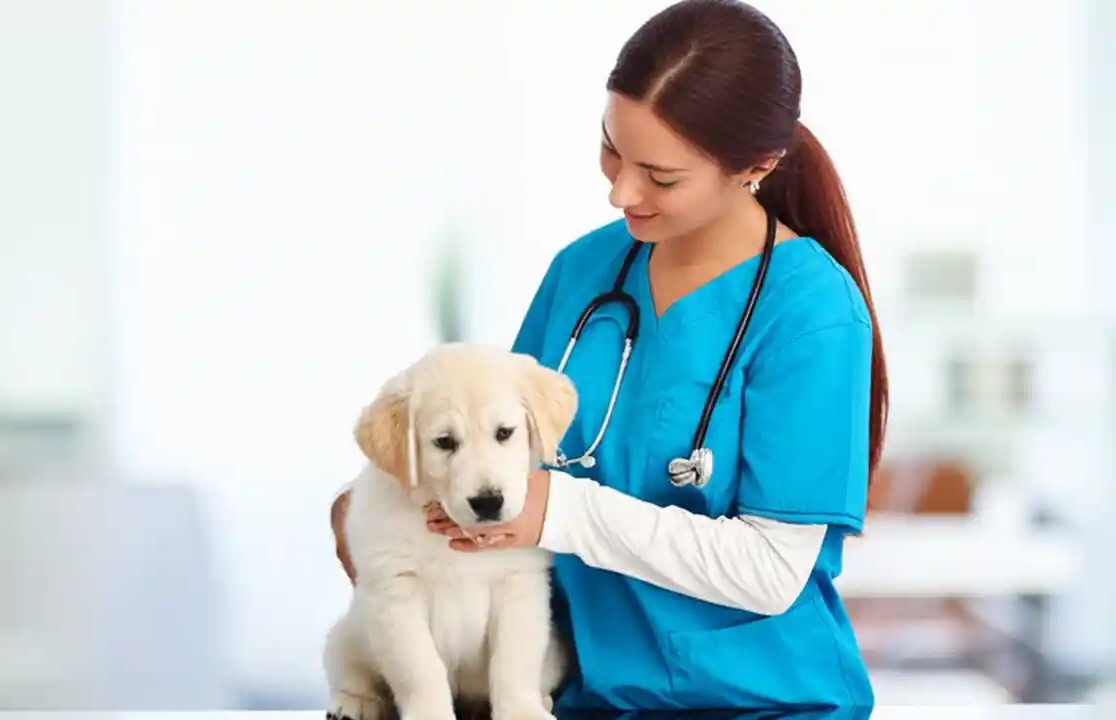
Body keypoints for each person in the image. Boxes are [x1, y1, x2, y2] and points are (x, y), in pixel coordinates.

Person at [331, 0, 887, 710]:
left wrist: (560, 511)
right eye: (611, 148)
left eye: (661, 176)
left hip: (757, 701)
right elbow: (499, 459)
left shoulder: (811, 312)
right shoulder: (584, 274)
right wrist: (392, 511)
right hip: (584, 698)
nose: (620, 190)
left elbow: (772, 569)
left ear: (758, 165)